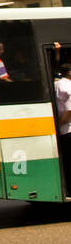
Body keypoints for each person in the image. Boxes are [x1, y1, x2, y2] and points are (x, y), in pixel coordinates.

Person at [55, 58, 71, 190]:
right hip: (68, 129)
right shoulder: (69, 86)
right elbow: (68, 112)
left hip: (62, 130)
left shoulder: (56, 84)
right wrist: (60, 125)